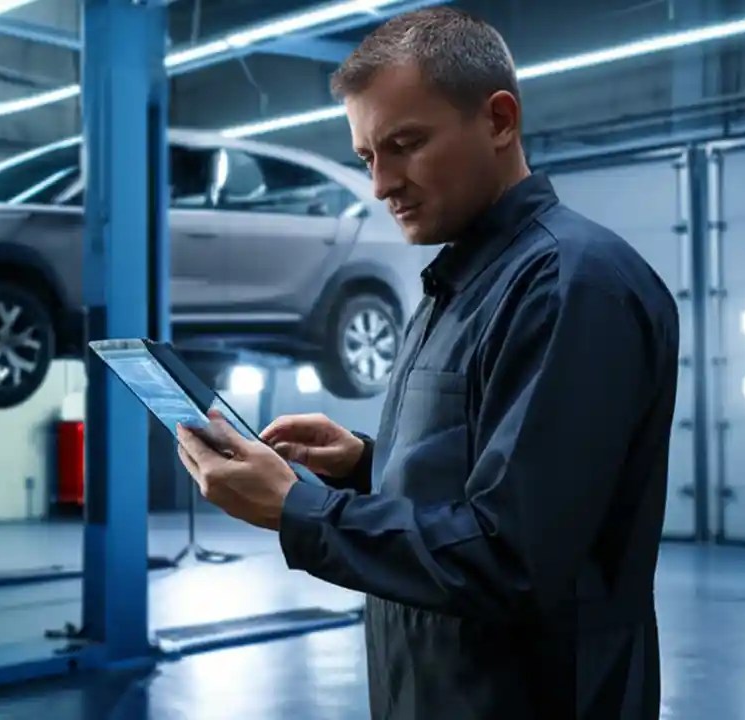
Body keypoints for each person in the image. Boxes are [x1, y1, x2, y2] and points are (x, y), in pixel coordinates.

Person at [174, 6, 681, 720]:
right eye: (366, 158)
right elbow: (483, 472)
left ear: (499, 120)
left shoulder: (572, 287)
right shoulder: (460, 281)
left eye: (406, 144)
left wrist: (301, 511)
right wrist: (361, 463)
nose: (381, 184)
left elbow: (514, 556)